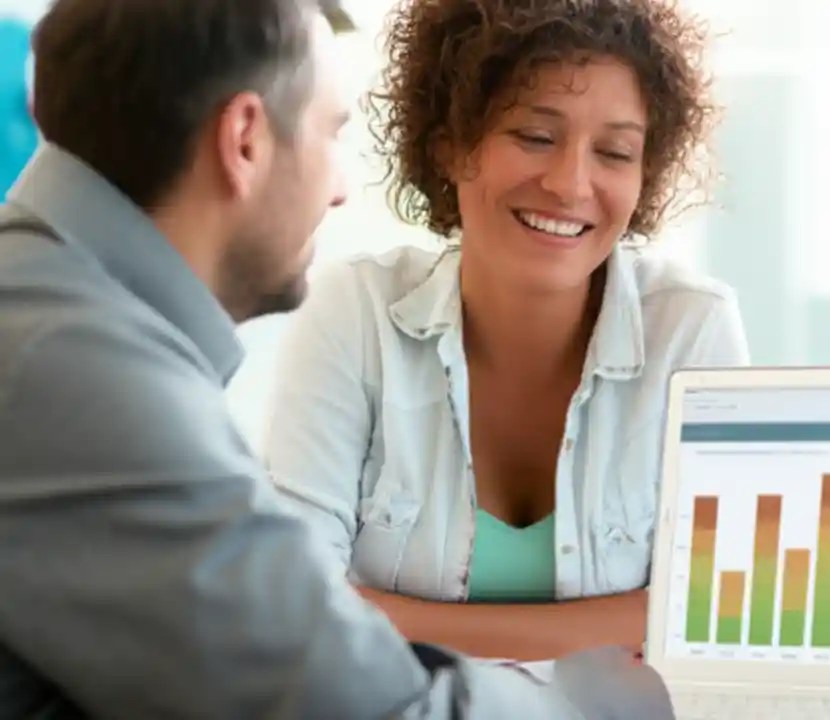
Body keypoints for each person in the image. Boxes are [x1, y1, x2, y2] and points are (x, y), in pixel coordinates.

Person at [0, 0, 674, 717]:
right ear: (246, 140)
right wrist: (611, 700)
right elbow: (358, 705)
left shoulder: (52, 309)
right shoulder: (78, 370)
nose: (340, 187)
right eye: (330, 133)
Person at [261, 0, 748, 662]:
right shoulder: (354, 314)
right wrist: (623, 624)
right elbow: (292, 612)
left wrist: (382, 618)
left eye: (614, 151)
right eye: (535, 137)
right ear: (451, 144)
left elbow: (718, 621)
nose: (571, 183)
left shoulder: (691, 330)